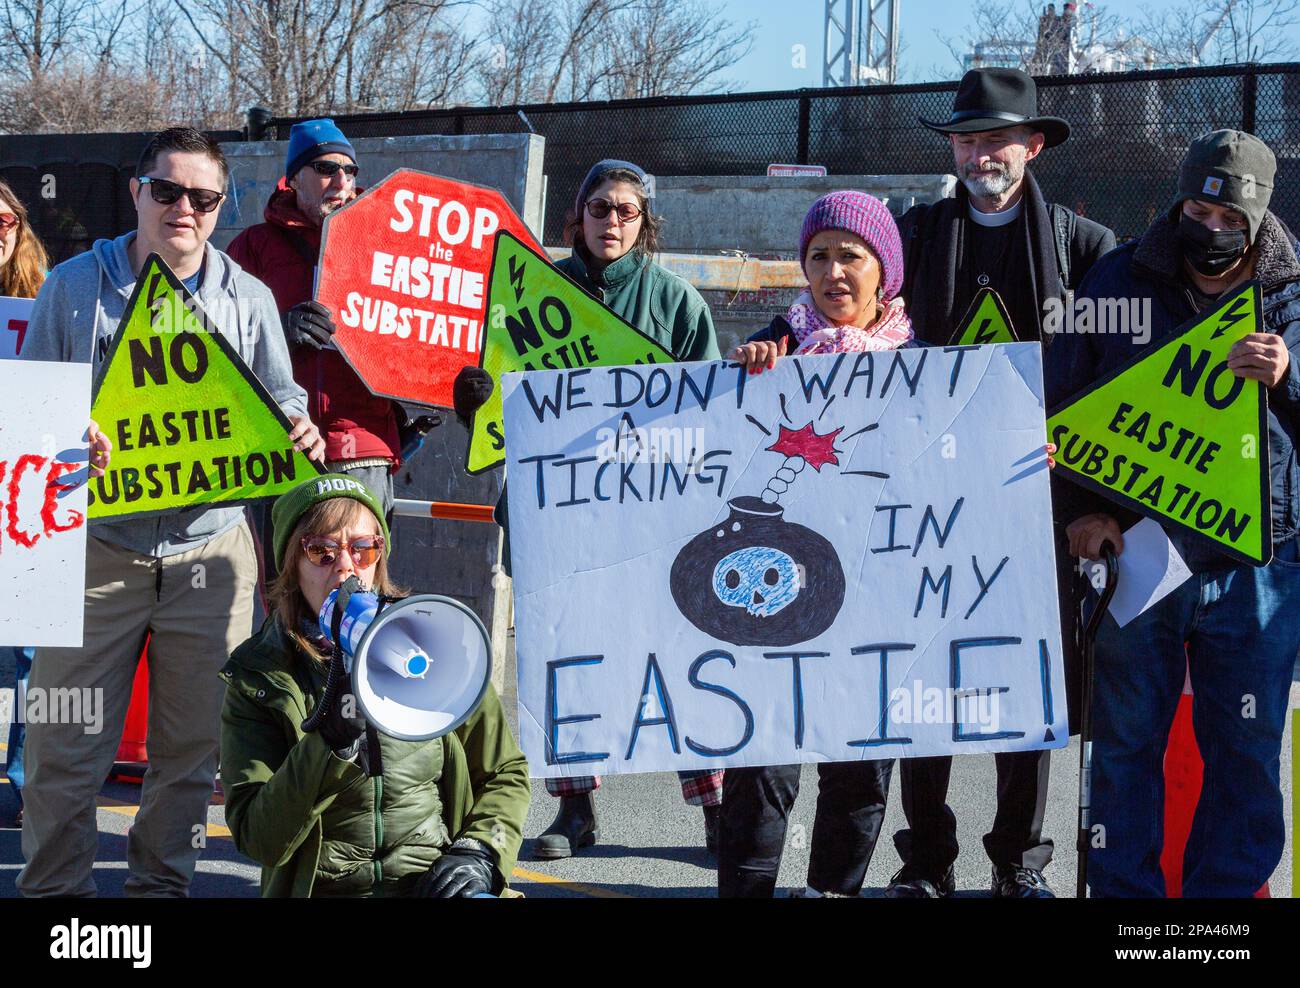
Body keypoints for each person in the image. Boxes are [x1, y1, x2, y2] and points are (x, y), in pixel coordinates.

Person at [17, 127, 320, 897]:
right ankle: (56, 900)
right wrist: (62, 434)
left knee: (189, 755)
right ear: (137, 193)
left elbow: (277, 396)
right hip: (92, 553)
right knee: (62, 744)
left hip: (210, 559)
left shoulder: (248, 297)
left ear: (221, 207)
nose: (183, 208)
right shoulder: (74, 288)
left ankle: (161, 891)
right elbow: (25, 413)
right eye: (167, 191)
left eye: (203, 197)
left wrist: (296, 422)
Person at [1047, 130, 1300, 897]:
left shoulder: (1295, 292)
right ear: (1178, 201)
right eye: (1199, 209)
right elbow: (1059, 408)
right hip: (1139, 555)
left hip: (1260, 562)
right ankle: (1127, 909)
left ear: (1260, 220)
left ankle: (1222, 915)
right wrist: (1082, 517)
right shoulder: (1115, 279)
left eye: (1232, 221)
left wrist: (1290, 376)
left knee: (1247, 748)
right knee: (1124, 745)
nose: (1213, 230)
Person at [890, 67, 1116, 899]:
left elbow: (1116, 367)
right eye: (967, 137)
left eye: (996, 138)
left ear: (1032, 145)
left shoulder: (1083, 249)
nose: (981, 151)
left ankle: (1018, 863)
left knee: (1025, 691)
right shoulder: (911, 237)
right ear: (952, 146)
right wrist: (772, 346)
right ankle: (926, 864)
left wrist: (1076, 448)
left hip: (1037, 506)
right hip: (930, 507)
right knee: (924, 687)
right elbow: (836, 310)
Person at [464, 158, 723, 859]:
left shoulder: (676, 304)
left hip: (652, 516)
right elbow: (495, 408)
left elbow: (713, 414)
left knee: (676, 660)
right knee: (565, 660)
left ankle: (715, 810)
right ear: (575, 216)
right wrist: (474, 399)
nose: (612, 221)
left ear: (646, 224)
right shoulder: (525, 296)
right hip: (557, 517)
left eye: (627, 211)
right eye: (600, 208)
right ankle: (575, 811)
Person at [718, 190, 908, 898]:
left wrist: (1009, 454)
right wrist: (751, 369)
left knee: (859, 770)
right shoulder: (771, 354)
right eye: (818, 257)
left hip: (876, 601)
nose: (834, 272)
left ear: (882, 269)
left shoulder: (925, 364)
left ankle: (834, 892)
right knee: (761, 767)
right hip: (777, 598)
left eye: (850, 256)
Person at [219, 474, 530, 896]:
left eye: (363, 548)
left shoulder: (434, 641)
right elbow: (259, 838)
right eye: (321, 551)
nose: (346, 566)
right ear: (292, 565)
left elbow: (503, 771)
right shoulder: (259, 676)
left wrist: (479, 853)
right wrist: (326, 744)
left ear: (380, 558)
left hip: (432, 882)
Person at [226, 118, 440, 584]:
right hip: (283, 450)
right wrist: (279, 333)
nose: (342, 181)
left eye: (349, 170)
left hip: (363, 448)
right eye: (325, 168)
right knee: (285, 592)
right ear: (293, 177)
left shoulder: (387, 243)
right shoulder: (254, 247)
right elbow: (218, 343)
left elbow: (432, 319)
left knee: (360, 588)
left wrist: (446, 380)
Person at [0, 176, 53, 830]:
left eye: (4, 221)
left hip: (33, 497)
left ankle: (23, 777)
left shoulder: (48, 297)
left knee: (31, 654)